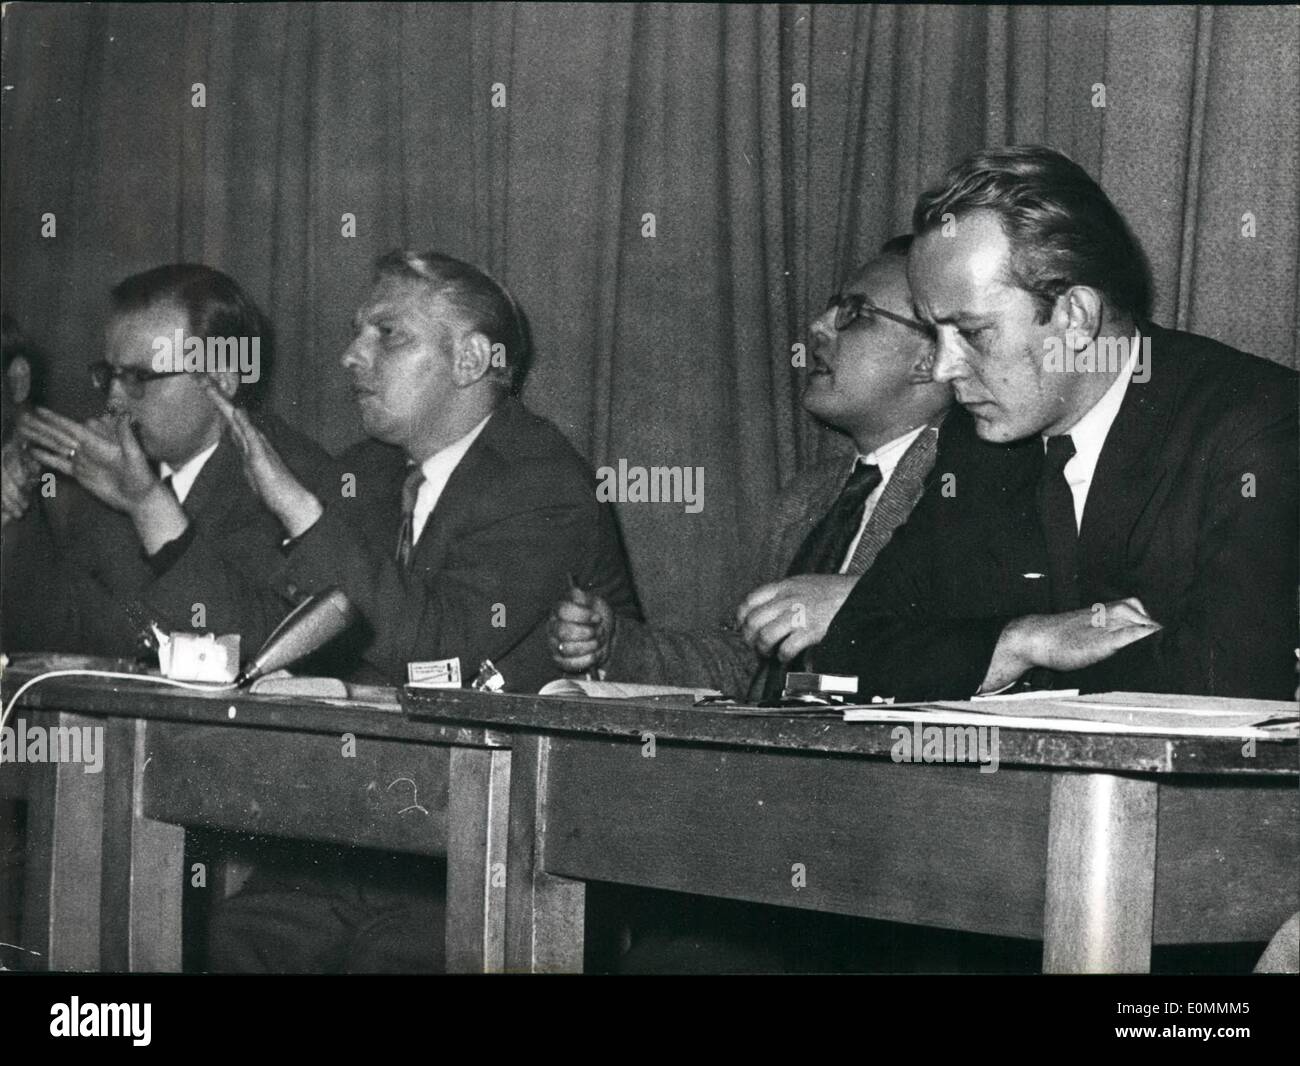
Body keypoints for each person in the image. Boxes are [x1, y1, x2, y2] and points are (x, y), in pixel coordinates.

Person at [205, 249, 640, 971]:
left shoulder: (541, 479)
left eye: (388, 335)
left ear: (471, 360)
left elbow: (435, 650)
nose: (351, 356)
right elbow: (268, 616)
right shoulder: (372, 472)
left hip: (497, 847)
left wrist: (299, 509)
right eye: (356, 333)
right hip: (371, 830)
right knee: (234, 942)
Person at [814, 145, 1298, 701]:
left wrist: (979, 656)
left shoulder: (1257, 426)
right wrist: (1024, 642)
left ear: (1075, 318)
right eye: (934, 333)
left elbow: (1233, 682)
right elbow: (850, 651)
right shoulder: (980, 443)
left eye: (972, 333)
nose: (946, 369)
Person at [548, 236, 951, 701]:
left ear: (929, 359)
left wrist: (863, 604)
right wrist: (616, 641)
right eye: (830, 308)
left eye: (854, 313)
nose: (819, 326)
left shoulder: (963, 493)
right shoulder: (810, 497)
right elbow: (742, 663)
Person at [3, 265, 337, 658]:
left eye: (139, 377)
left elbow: (261, 647)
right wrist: (10, 517)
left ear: (221, 378)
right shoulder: (108, 469)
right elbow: (67, 628)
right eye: (110, 374)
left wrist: (147, 506)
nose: (114, 400)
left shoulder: (296, 481)